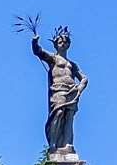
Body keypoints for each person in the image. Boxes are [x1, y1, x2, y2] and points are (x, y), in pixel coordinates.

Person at [28, 25, 88, 157]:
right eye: (61, 42)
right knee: (59, 113)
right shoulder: (54, 58)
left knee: (69, 117)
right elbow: (39, 52)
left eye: (66, 42)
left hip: (71, 91)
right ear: (56, 45)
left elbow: (84, 78)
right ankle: (53, 144)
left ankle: (68, 144)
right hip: (58, 90)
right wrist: (35, 42)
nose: (64, 44)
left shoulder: (73, 64)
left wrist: (79, 90)